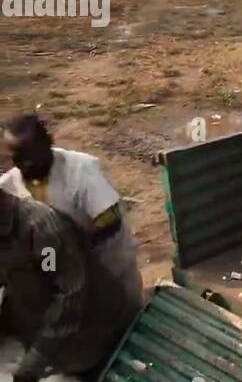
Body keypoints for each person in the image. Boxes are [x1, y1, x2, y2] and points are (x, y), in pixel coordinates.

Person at [0, 190, 140, 382]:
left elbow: (70, 296)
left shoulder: (40, 230)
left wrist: (38, 357)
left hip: (92, 333)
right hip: (47, 326)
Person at [0, 114, 144, 313]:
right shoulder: (9, 185)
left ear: (48, 144)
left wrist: (76, 248)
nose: (26, 164)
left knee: (120, 314)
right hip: (57, 268)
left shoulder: (80, 170)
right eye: (18, 158)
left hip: (106, 262)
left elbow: (110, 220)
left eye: (31, 156)